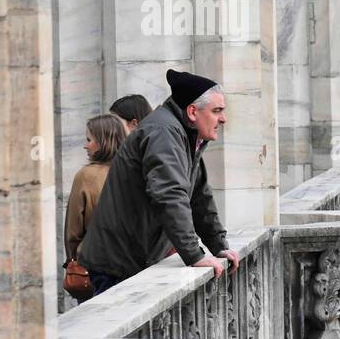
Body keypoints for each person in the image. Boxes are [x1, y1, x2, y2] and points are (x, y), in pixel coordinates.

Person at [79, 69, 238, 295]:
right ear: (192, 111)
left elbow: (199, 197)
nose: (223, 119)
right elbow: (170, 195)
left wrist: (218, 246)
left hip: (133, 258)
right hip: (117, 264)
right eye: (217, 111)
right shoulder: (164, 132)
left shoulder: (187, 135)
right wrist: (195, 255)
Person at [63, 115, 127, 299]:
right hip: (132, 264)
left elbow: (73, 231)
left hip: (96, 264)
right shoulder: (132, 172)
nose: (85, 145)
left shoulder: (86, 176)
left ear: (103, 141)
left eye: (89, 139)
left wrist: (72, 260)